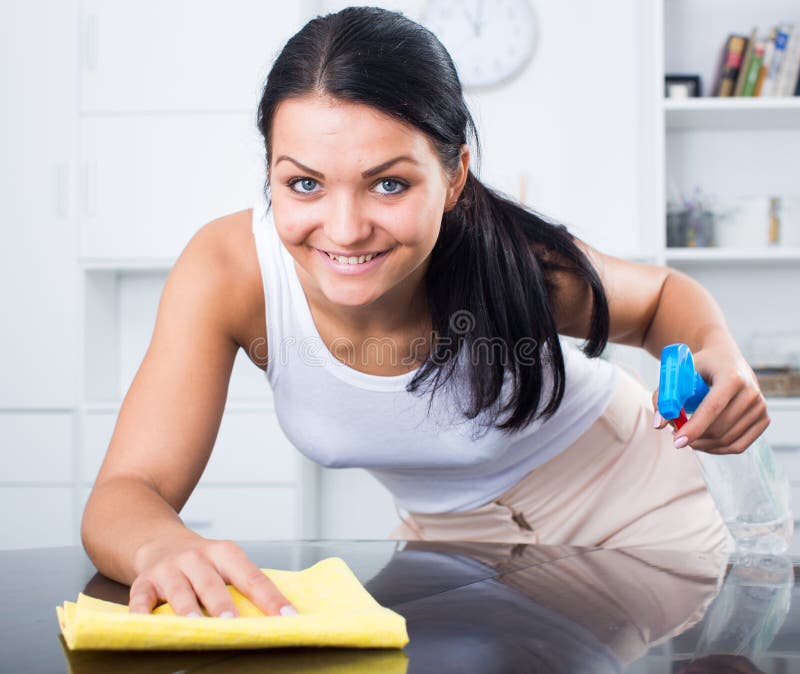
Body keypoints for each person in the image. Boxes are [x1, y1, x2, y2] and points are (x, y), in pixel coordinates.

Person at [80, 6, 770, 621]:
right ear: (270, 173)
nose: (345, 230)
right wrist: (160, 545)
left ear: (453, 175)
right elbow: (127, 491)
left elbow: (657, 302)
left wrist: (717, 349)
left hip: (631, 503)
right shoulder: (228, 273)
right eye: (304, 183)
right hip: (451, 539)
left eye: (388, 184)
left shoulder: (507, 260)